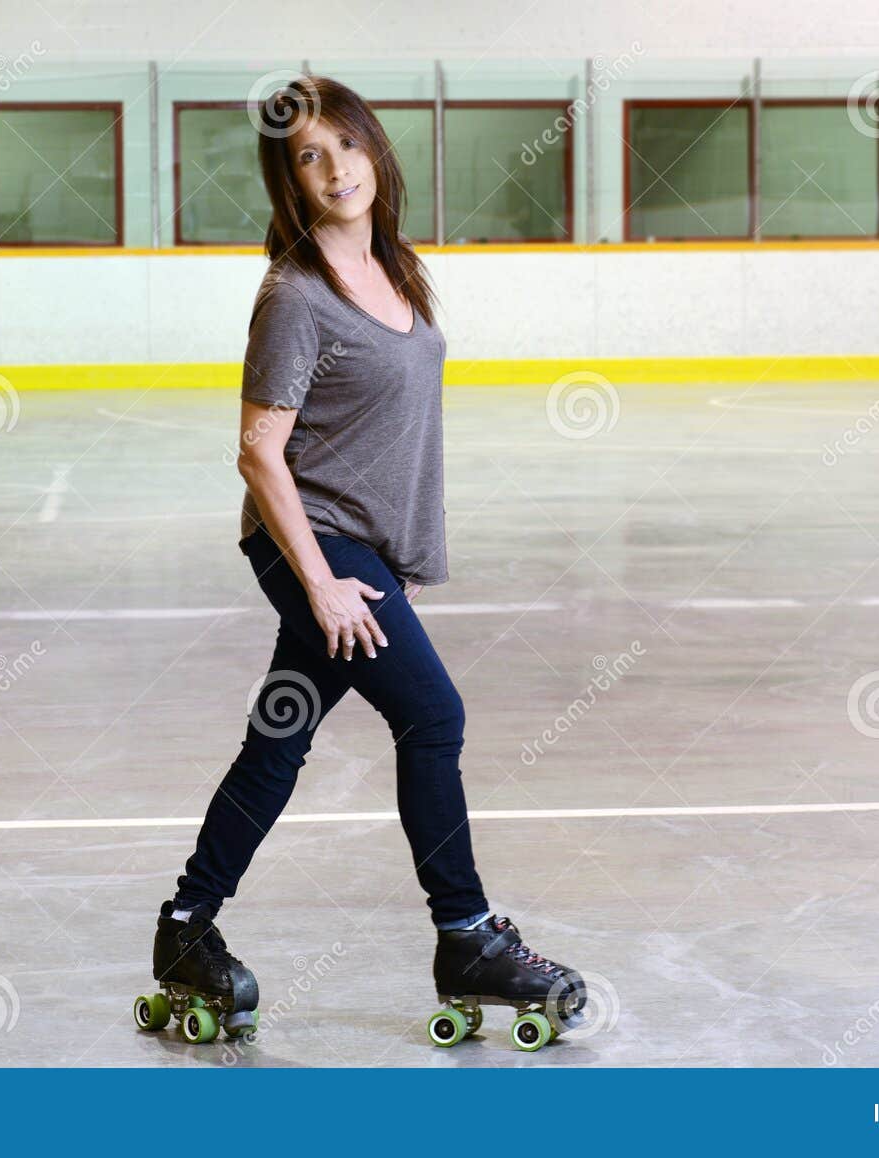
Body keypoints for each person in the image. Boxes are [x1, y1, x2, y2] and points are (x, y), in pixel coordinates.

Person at [143, 76, 586, 1051]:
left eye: (346, 143)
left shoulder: (397, 269)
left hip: (362, 554)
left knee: (278, 739)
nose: (335, 167)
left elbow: (395, 428)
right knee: (433, 716)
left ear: (374, 148)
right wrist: (321, 583)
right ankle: (465, 936)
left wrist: (402, 555)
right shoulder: (295, 296)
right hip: (311, 544)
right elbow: (259, 452)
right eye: (308, 155)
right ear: (289, 180)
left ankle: (184, 927)